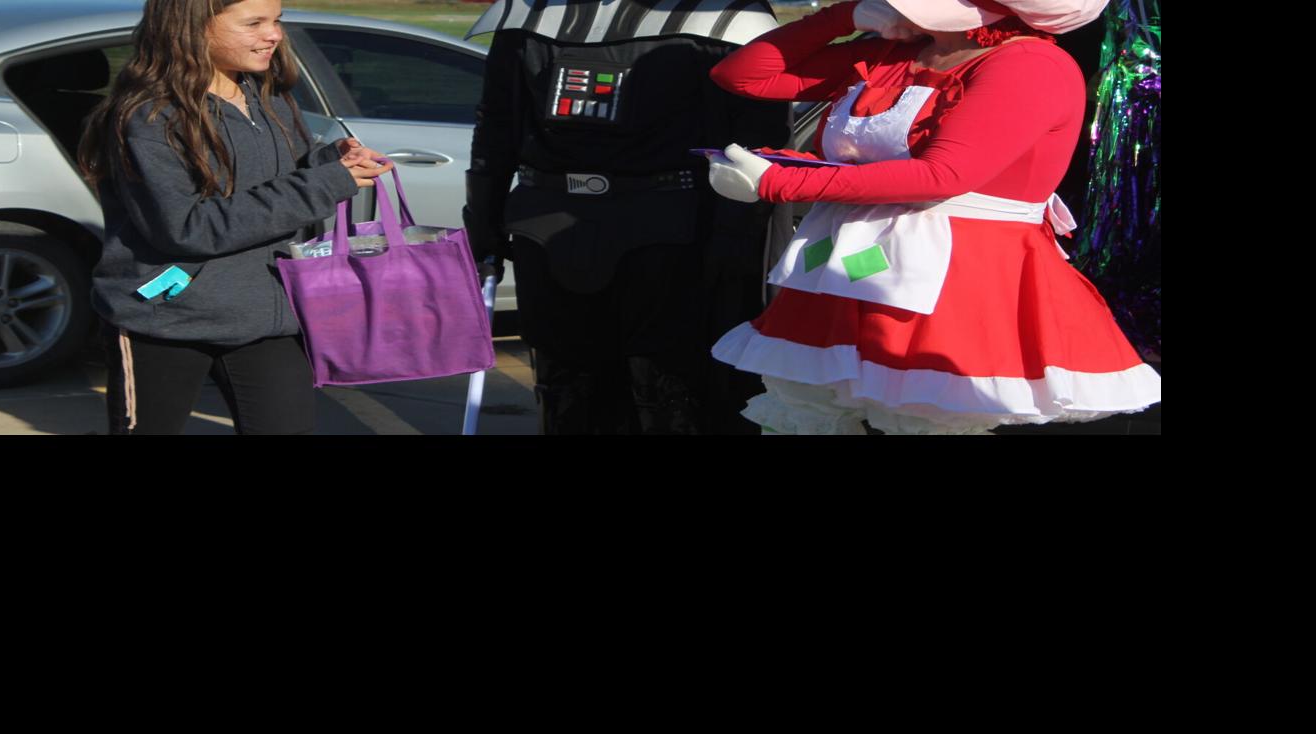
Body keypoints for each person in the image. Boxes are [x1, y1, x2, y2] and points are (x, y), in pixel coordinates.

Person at [704, 0, 1161, 434]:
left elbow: (942, 175)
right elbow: (743, 75)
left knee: (925, 416)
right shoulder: (898, 53)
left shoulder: (1030, 64)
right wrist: (847, 15)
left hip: (950, 276)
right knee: (806, 407)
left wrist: (783, 183)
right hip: (844, 267)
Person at [464, 0, 790, 434]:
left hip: (667, 228)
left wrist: (738, 240)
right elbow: (498, 123)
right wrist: (482, 223)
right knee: (570, 386)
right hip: (563, 225)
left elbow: (755, 144)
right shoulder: (528, 16)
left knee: (666, 384)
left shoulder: (729, 18)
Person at [78, 0, 390, 435]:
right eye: (254, 23)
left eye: (277, 20)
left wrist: (329, 163)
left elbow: (272, 182)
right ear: (192, 28)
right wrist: (325, 184)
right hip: (165, 318)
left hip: (267, 314)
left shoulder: (269, 99)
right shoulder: (149, 116)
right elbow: (187, 228)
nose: (275, 35)